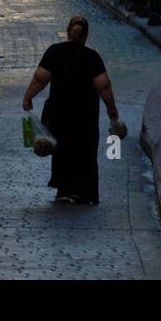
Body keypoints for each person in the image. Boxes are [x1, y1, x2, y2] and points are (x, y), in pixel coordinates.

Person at [22, 14, 120, 205]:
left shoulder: (54, 51)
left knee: (61, 149)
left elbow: (40, 78)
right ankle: (84, 192)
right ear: (85, 36)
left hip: (59, 112)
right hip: (85, 114)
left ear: (68, 33)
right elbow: (103, 85)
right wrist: (112, 111)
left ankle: (63, 190)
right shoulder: (92, 57)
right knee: (85, 150)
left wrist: (28, 97)